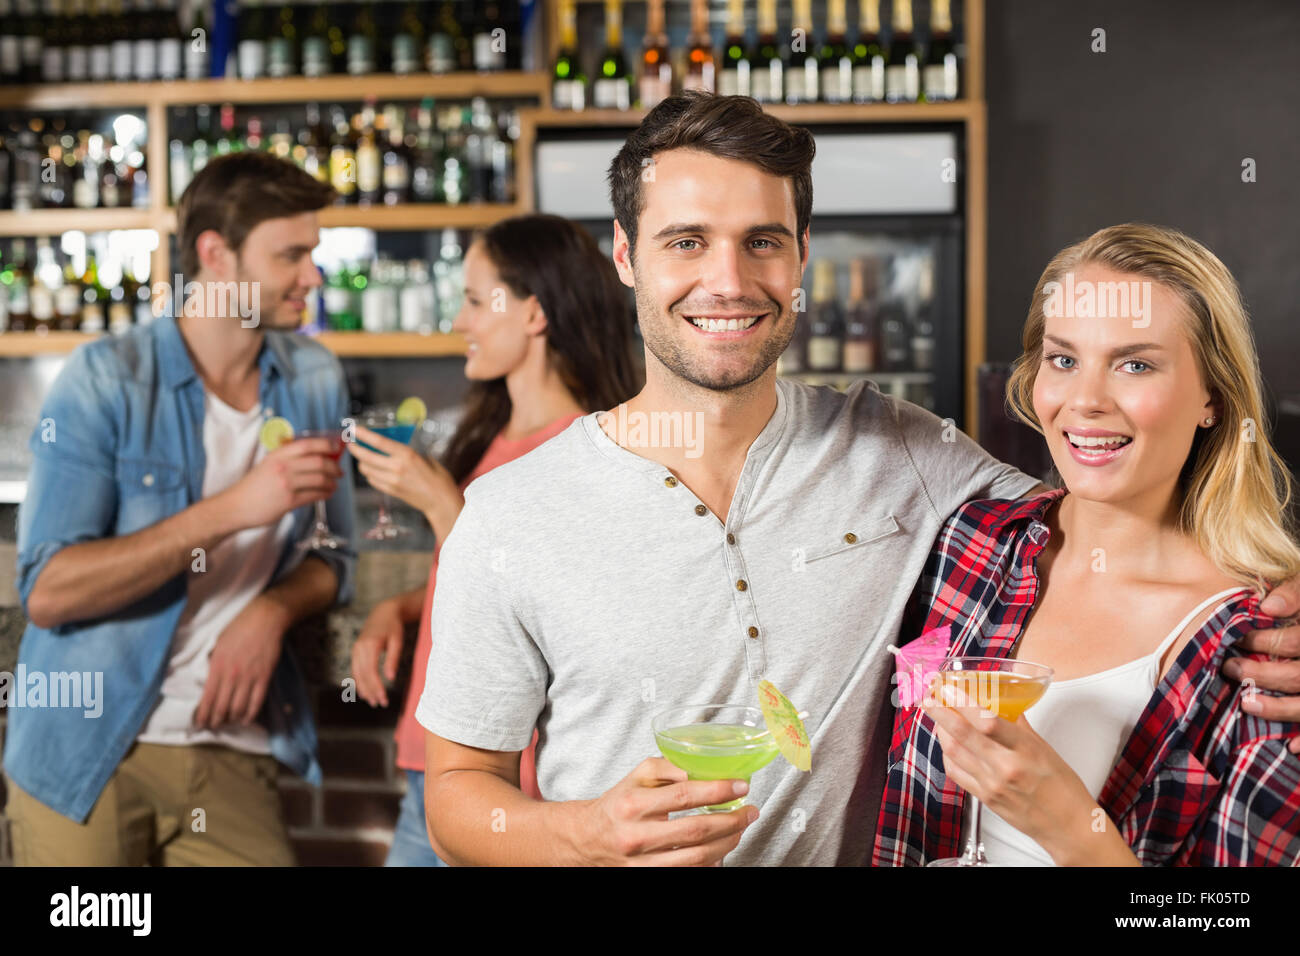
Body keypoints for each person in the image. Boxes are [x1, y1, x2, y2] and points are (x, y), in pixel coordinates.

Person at [413, 92, 1300, 866]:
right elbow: (455, 797)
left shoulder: (904, 451)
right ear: (624, 255)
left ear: (800, 259)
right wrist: (588, 838)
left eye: (761, 241)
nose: (726, 280)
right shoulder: (508, 515)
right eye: (685, 241)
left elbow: (1106, 506)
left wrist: (1277, 582)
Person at [873, 223, 1300, 866]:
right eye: (1064, 359)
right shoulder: (974, 544)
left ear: (1212, 395)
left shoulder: (1262, 652)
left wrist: (1072, 827)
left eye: (1135, 364)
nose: (1086, 401)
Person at [3, 152, 356, 865]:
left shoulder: (313, 376)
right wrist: (234, 509)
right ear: (215, 256)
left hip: (232, 747)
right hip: (90, 749)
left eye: (313, 254)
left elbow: (336, 557)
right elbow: (47, 592)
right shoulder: (107, 378)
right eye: (292, 255)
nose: (313, 278)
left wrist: (272, 610)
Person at [345, 214, 641, 867]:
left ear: (533, 313)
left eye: (476, 301)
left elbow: (555, 608)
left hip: (509, 781)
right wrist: (399, 609)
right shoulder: (488, 434)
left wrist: (439, 502)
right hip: (433, 759)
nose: (459, 321)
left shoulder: (591, 450)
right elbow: (474, 591)